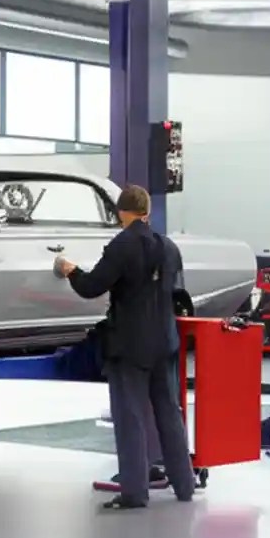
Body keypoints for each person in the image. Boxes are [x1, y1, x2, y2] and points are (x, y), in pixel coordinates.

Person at [53, 185, 195, 509]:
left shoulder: (122, 246)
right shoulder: (169, 248)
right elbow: (174, 292)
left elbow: (91, 287)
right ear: (147, 211)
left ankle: (134, 492)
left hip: (130, 346)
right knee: (169, 413)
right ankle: (184, 485)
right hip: (165, 341)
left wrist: (69, 270)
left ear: (121, 213)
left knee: (130, 416)